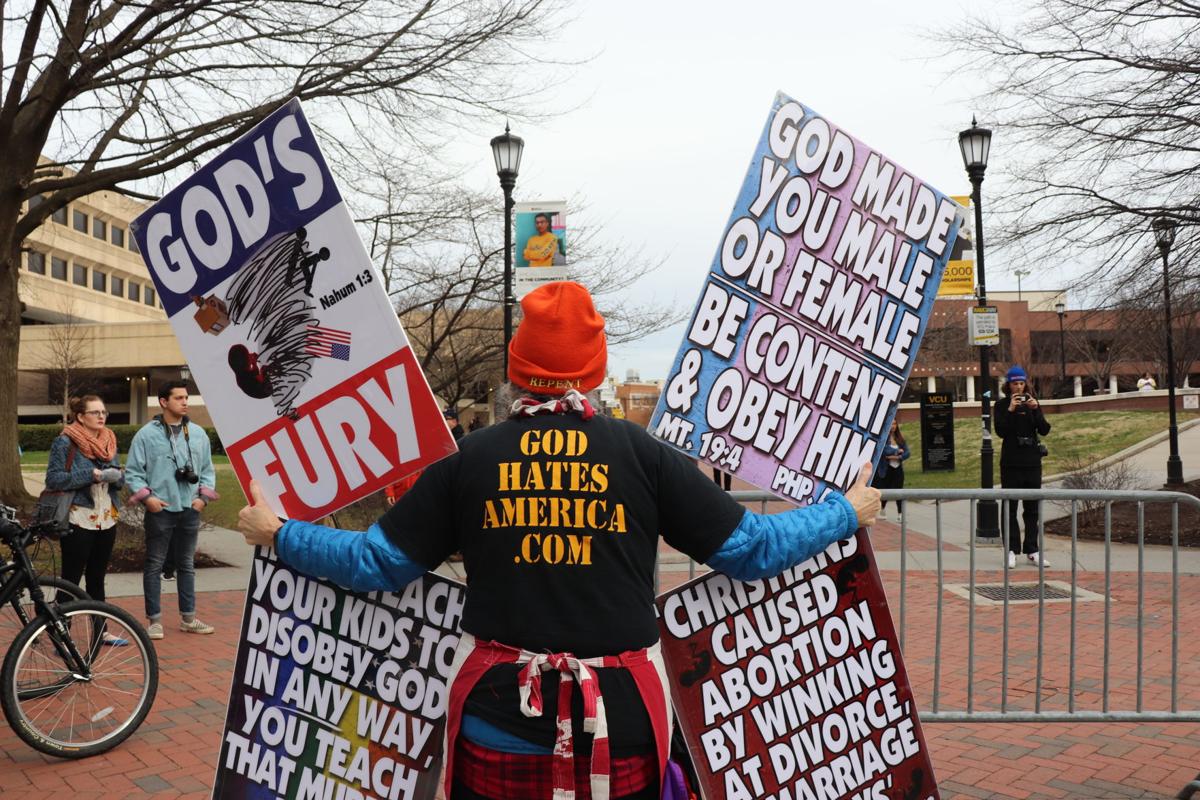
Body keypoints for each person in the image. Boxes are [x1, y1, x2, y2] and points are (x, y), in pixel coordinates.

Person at [239, 281, 881, 800]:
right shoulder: (642, 456)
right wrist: (843, 511)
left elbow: (376, 562)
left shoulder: (471, 459)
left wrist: (280, 534)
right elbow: (753, 549)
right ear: (594, 373)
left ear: (518, 373)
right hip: (621, 726)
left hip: (498, 726)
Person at [125, 380, 219, 639]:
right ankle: (154, 621)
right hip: (160, 510)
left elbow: (208, 471)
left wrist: (203, 498)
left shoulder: (199, 434)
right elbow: (133, 473)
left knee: (187, 564)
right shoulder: (146, 434)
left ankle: (188, 617)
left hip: (190, 507)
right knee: (154, 564)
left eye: (186, 397)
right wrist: (148, 499)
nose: (185, 402)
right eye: (179, 398)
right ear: (164, 402)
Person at [43, 395, 128, 645]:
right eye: (95, 412)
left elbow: (120, 480)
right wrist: (92, 474)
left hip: (106, 518)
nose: (101, 416)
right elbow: (54, 479)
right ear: (80, 416)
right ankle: (59, 632)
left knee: (97, 579)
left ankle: (101, 631)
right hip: (78, 518)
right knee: (70, 581)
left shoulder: (109, 440)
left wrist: (116, 477)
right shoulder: (65, 442)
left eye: (104, 411)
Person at [993, 365, 1052, 569]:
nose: (1019, 387)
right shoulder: (1001, 405)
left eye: (1021, 383)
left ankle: (1032, 550)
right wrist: (1010, 409)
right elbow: (1000, 431)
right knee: (1010, 508)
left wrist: (1036, 410)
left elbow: (1044, 429)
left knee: (1032, 508)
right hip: (1011, 462)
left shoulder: (1032, 404)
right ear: (1008, 385)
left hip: (1032, 462)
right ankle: (1011, 550)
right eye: (1014, 383)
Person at [871, 418, 910, 520]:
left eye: (895, 424)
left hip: (898, 468)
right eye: (891, 424)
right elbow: (884, 451)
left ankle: (900, 514)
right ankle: (882, 509)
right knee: (886, 491)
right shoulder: (883, 438)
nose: (893, 426)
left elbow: (907, 452)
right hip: (886, 469)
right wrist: (897, 451)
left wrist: (898, 457)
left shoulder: (900, 439)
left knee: (899, 491)